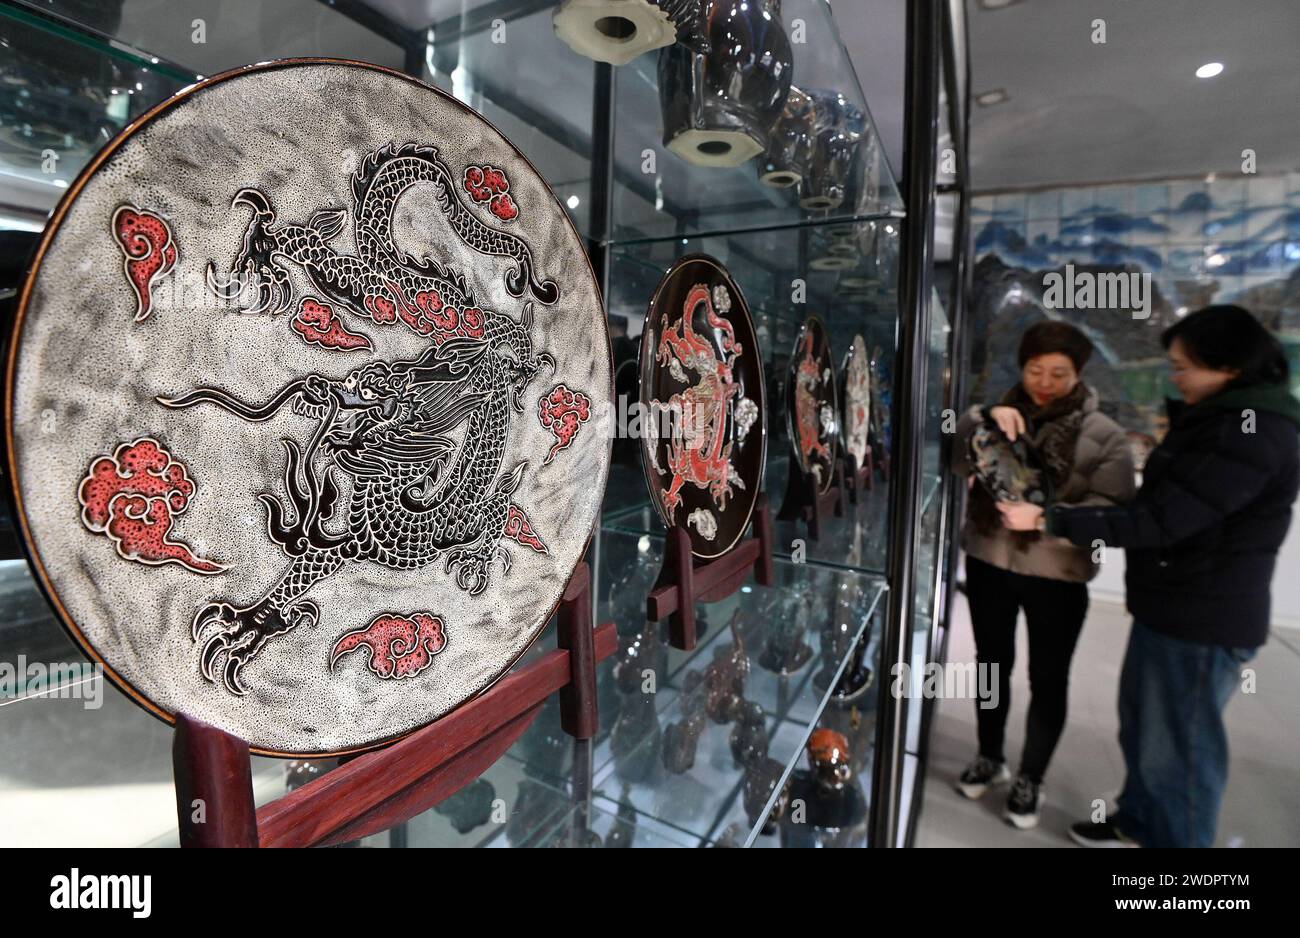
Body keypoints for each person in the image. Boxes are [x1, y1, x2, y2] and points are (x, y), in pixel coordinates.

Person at [1000, 305, 1300, 848]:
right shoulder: (1223, 420)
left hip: (1202, 619)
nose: (1175, 378)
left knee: (1180, 751)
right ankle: (1137, 822)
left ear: (1229, 367)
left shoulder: (1247, 431)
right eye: (1033, 370)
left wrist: (1050, 517)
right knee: (1145, 728)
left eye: (1184, 367)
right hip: (1173, 608)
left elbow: (1161, 518)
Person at [951, 321, 1136, 829]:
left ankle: (1032, 775)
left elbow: (1116, 513)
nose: (1045, 382)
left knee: (1047, 678)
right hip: (990, 561)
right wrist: (982, 416)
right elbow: (954, 461)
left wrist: (1050, 517)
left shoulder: (1103, 434)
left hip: (1057, 574)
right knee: (992, 666)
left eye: (1060, 372)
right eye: (1036, 370)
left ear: (1079, 373)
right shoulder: (997, 415)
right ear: (1022, 367)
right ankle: (990, 754)